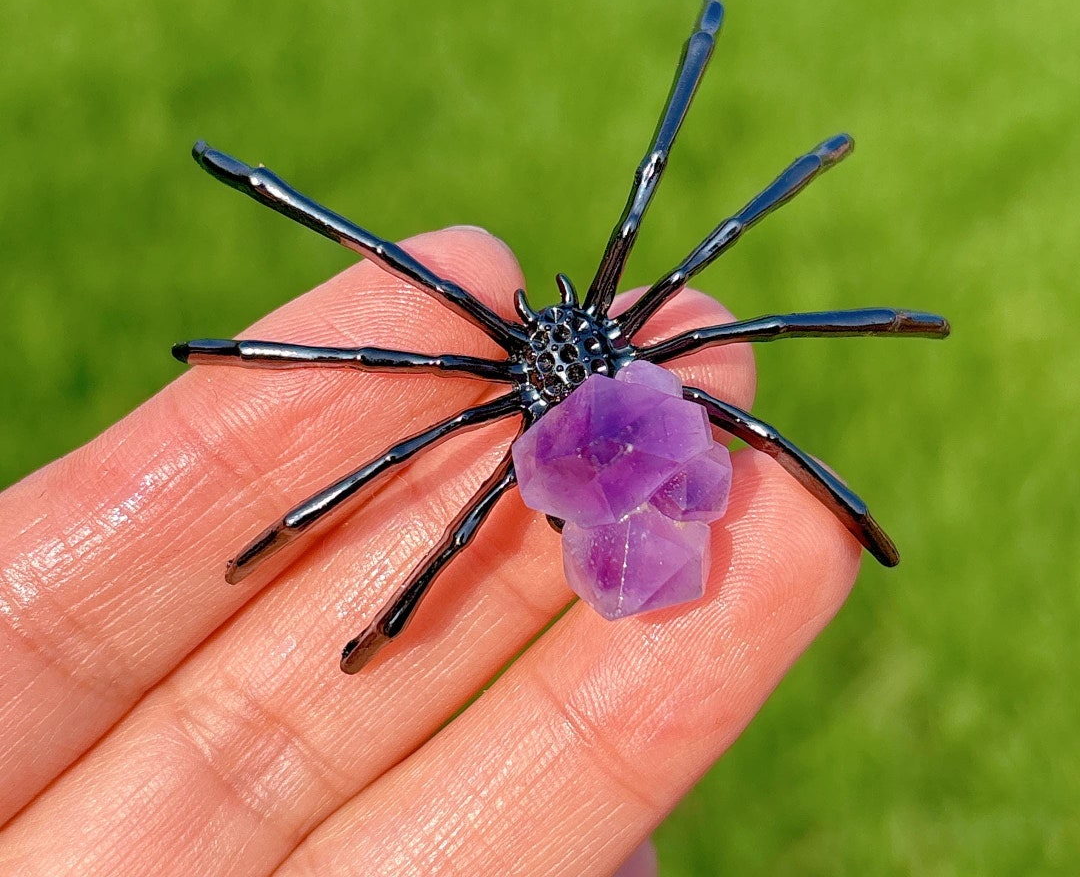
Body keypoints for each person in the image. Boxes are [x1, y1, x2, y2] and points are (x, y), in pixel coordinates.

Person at [0, 228, 859, 875]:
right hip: (595, 452)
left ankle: (372, 617)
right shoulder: (620, 348)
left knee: (437, 466)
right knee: (434, 475)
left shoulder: (535, 371)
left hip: (615, 447)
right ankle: (371, 609)